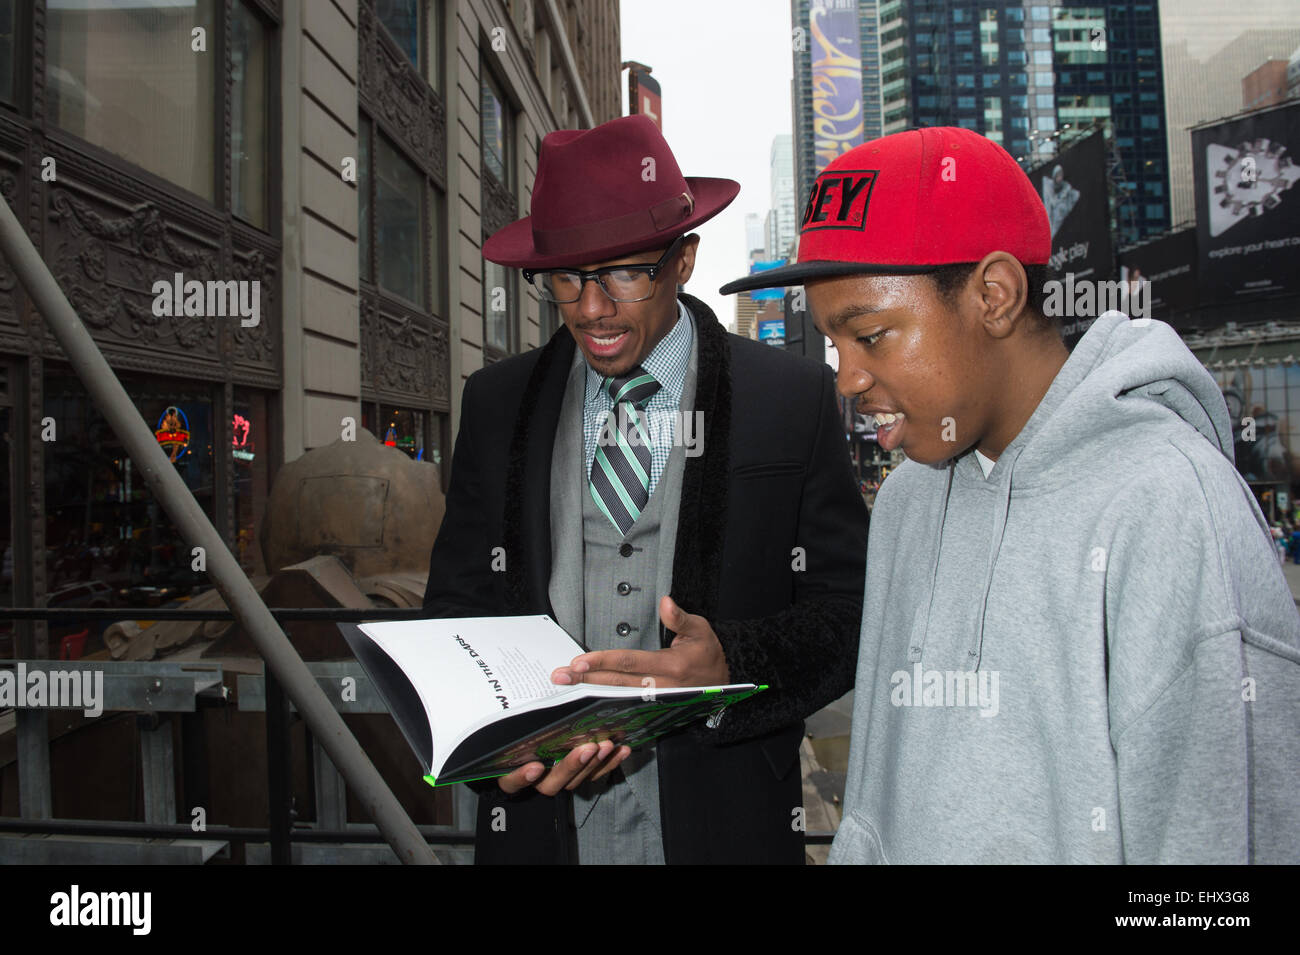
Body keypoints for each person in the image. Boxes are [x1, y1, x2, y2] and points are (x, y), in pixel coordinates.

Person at [721, 126, 1300, 864]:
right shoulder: (904, 502)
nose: (846, 379)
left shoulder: (1172, 508)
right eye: (836, 344)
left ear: (994, 295)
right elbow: (875, 794)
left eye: (871, 335)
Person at [422, 115, 868, 864]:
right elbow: (455, 613)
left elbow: (852, 613)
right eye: (567, 277)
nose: (592, 308)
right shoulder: (495, 403)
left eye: (625, 272)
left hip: (727, 831)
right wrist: (507, 749)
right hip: (544, 835)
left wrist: (736, 662)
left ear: (683, 259)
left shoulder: (788, 399)